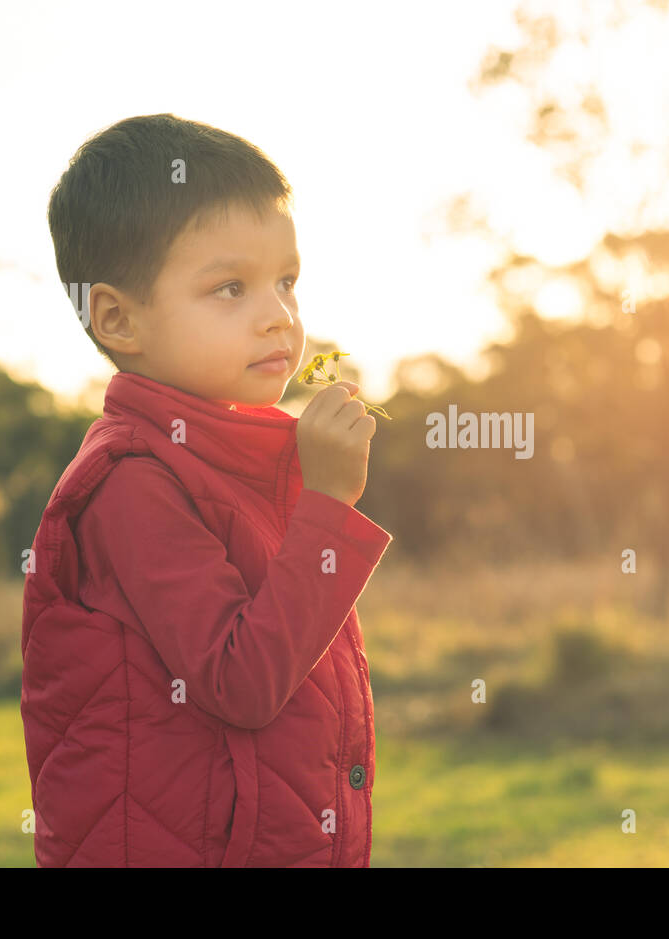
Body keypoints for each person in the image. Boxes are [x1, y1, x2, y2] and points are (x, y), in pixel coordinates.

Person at [21, 113, 392, 866]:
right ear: (119, 317)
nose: (278, 316)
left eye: (286, 281)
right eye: (231, 287)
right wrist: (326, 506)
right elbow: (240, 681)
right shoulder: (131, 482)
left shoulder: (235, 463)